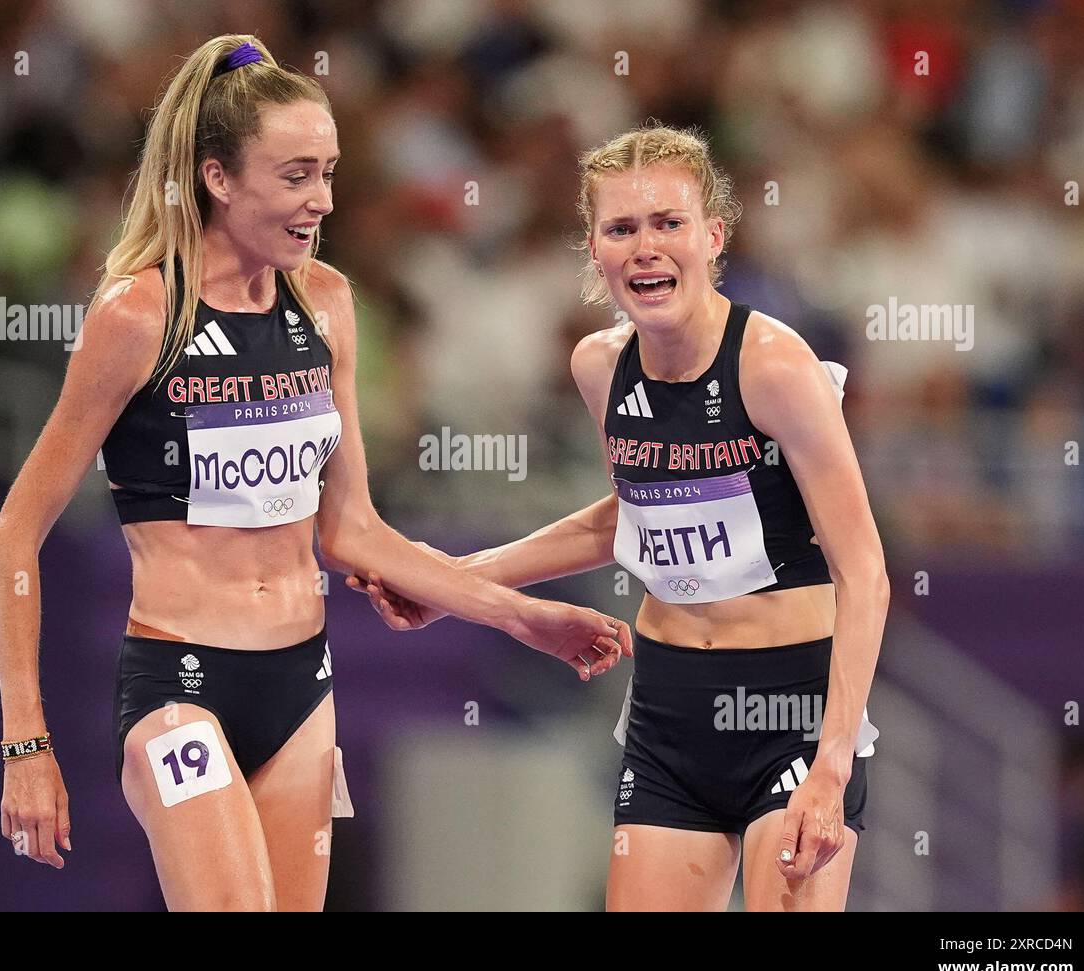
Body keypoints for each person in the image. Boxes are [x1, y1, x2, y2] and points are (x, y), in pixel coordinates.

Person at [0, 34, 630, 912]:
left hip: (301, 688)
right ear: (217, 178)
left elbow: (353, 530)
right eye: (294, 176)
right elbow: (15, 533)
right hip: (181, 689)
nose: (320, 201)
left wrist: (523, 617)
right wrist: (26, 743)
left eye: (328, 173)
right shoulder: (139, 313)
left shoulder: (324, 302)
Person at [349, 123, 888, 911]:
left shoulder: (774, 367)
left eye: (668, 224)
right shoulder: (599, 366)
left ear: (712, 235)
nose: (646, 247)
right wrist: (451, 579)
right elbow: (628, 514)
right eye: (622, 228)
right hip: (671, 710)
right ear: (593, 248)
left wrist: (833, 763)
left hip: (792, 711)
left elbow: (865, 573)